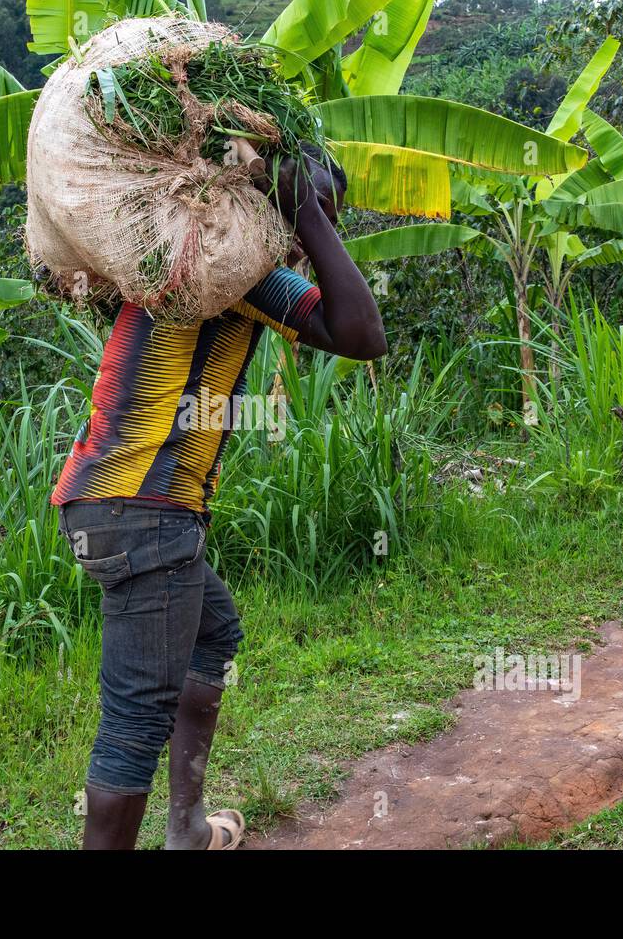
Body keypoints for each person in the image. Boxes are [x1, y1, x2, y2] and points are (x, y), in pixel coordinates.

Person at [52, 147, 386, 849]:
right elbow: (363, 334)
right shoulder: (232, 268)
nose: (319, 228)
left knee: (213, 633)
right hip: (146, 512)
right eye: (323, 208)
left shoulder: (185, 258)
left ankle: (188, 830)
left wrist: (303, 216)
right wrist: (312, 220)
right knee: (135, 720)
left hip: (106, 505)